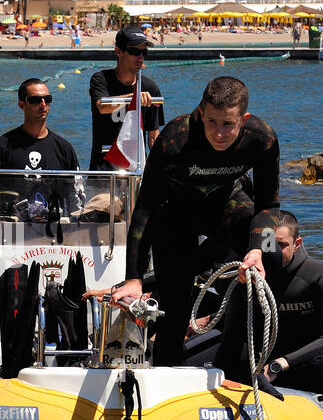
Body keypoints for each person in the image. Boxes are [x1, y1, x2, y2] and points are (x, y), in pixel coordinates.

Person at [111, 75, 281, 367]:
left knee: (272, 256)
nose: (219, 133)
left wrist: (257, 249)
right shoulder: (176, 138)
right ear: (201, 114)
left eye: (228, 124)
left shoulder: (261, 138)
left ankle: (245, 364)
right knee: (176, 305)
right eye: (212, 122)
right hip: (174, 214)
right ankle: (167, 370)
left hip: (224, 207)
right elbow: (144, 210)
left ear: (244, 119)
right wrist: (134, 278)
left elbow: (268, 204)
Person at [210, 212, 323, 396]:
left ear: (297, 244)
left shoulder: (320, 274)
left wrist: (280, 365)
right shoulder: (247, 275)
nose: (274, 252)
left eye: (281, 245)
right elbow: (232, 339)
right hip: (257, 366)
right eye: (269, 245)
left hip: (293, 365)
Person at [0, 78, 81, 218]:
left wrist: (77, 221)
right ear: (21, 104)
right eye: (35, 100)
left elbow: (75, 192)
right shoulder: (1, 146)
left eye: (47, 99)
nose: (43, 104)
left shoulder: (64, 149)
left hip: (53, 229)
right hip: (11, 228)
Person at [88, 26, 164, 171]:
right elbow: (102, 106)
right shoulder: (101, 79)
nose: (140, 56)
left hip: (136, 170)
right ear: (118, 51)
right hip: (104, 171)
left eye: (144, 52)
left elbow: (153, 135)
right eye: (134, 51)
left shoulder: (150, 87)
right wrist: (134, 98)